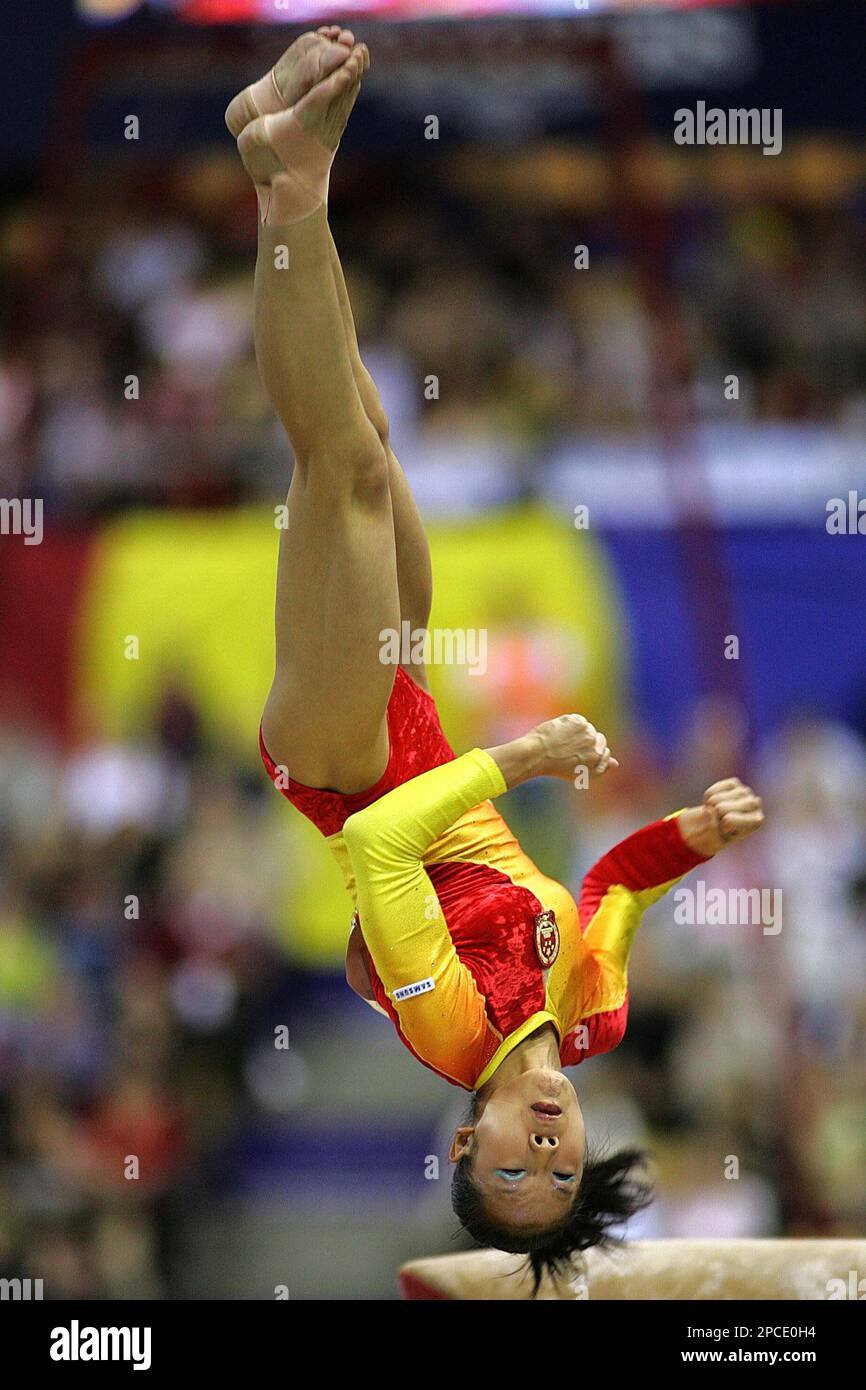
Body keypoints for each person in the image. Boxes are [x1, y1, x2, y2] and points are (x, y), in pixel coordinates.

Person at [226, 30, 765, 1290]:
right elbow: (617, 887)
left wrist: (517, 755)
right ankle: (270, 156)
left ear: (462, 1142)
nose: (543, 1149)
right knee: (359, 423)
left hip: (341, 759)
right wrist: (699, 833)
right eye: (563, 1171)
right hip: (403, 713)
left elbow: (375, 849)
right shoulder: (594, 1011)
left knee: (343, 466)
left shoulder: (445, 1026)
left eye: (508, 1171)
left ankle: (292, 185)